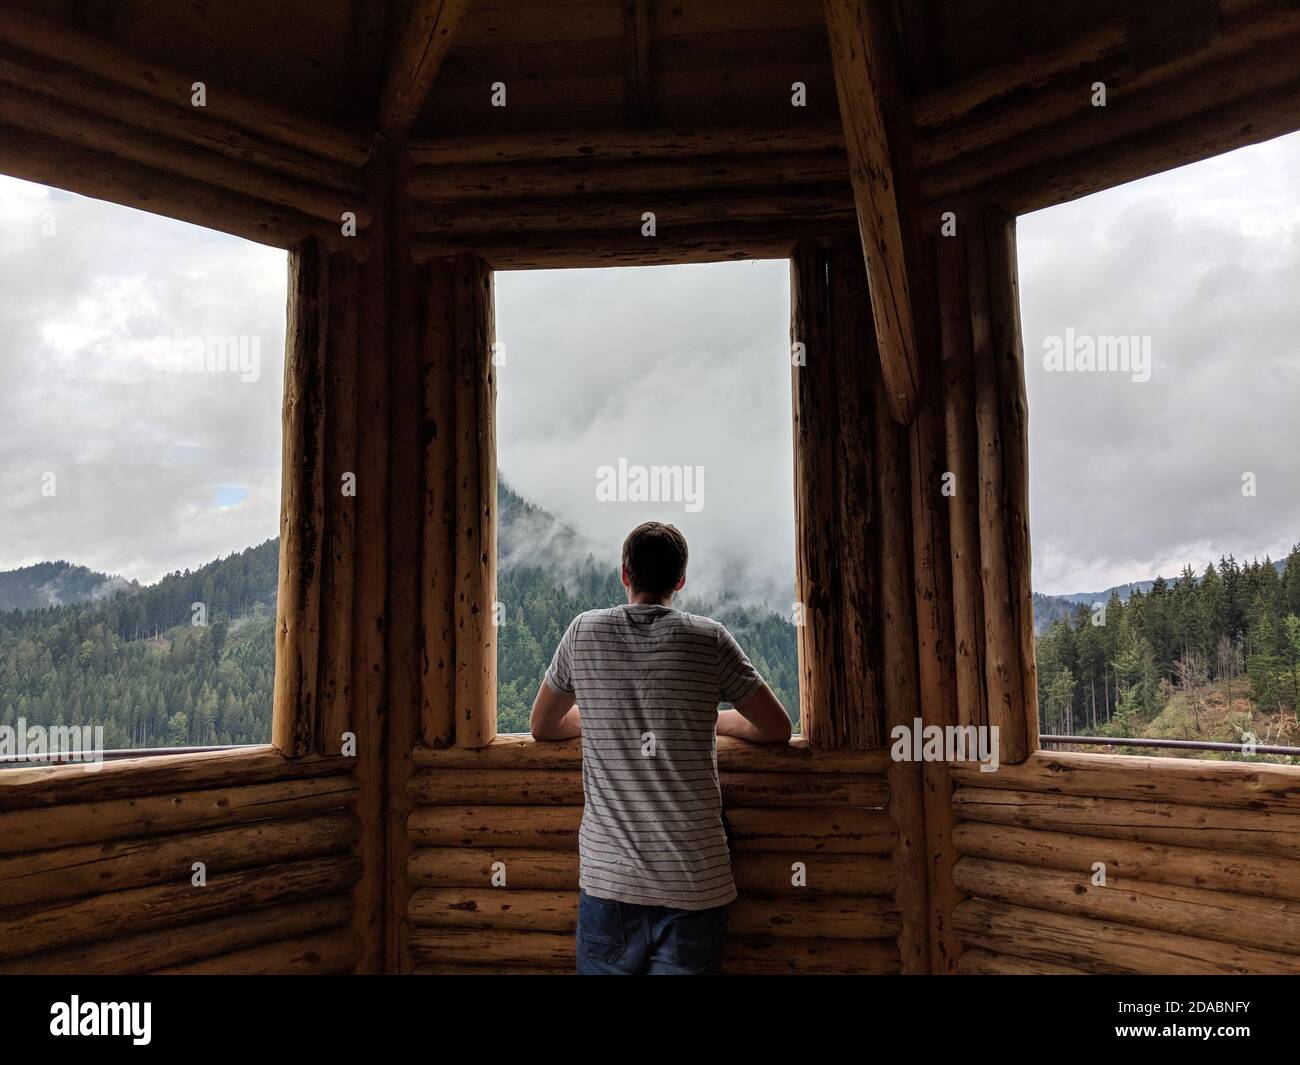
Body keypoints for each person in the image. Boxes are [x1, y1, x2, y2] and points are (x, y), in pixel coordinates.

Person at [530, 520, 792, 975]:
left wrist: (605, 721)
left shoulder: (583, 632)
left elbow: (543, 726)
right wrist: (705, 722)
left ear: (624, 575)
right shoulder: (709, 638)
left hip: (610, 884)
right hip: (695, 884)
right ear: (681, 580)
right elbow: (776, 729)